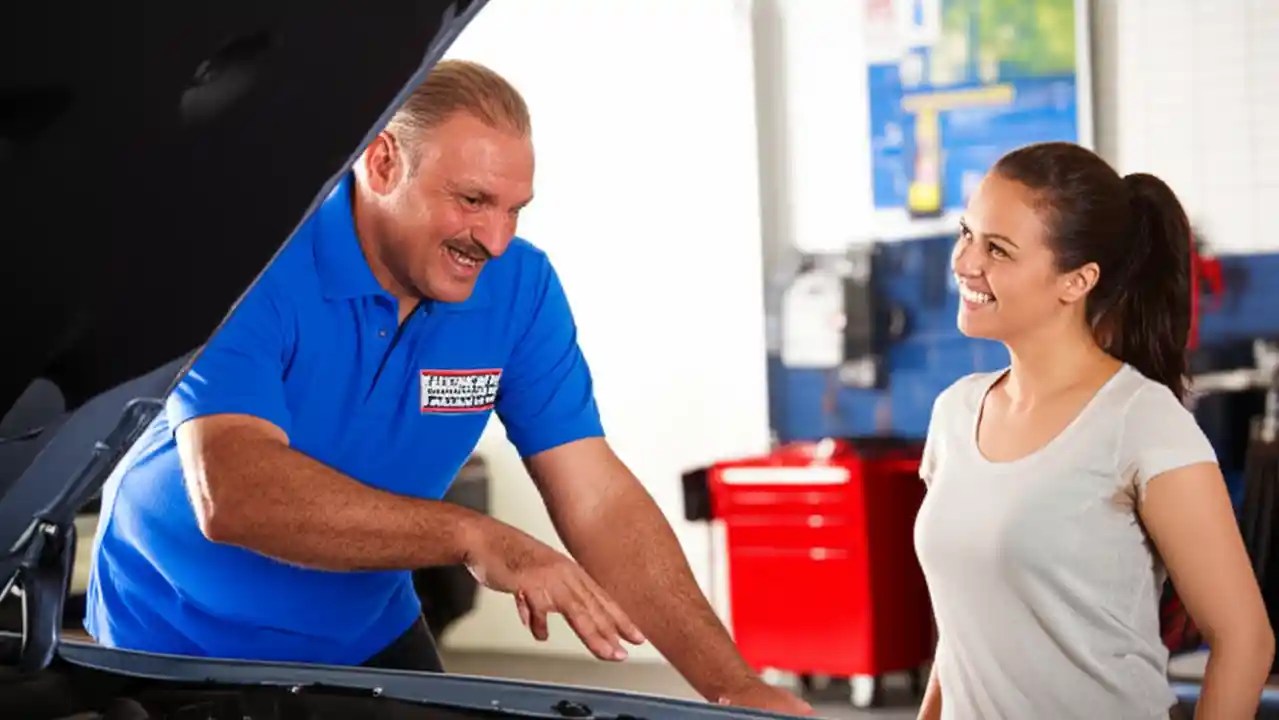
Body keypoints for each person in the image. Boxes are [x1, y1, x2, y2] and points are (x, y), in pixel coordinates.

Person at [84, 59, 811, 716]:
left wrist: (733, 686)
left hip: (364, 632)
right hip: (177, 637)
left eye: (514, 208)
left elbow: (596, 492)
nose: (495, 239)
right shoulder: (253, 260)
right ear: (381, 160)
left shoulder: (519, 289)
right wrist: (471, 535)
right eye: (472, 200)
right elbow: (233, 492)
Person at [912, 141, 1274, 720]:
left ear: (1076, 281)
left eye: (998, 249)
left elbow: (1245, 639)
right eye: (966, 233)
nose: (965, 262)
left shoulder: (1142, 421)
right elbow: (965, 634)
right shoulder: (954, 414)